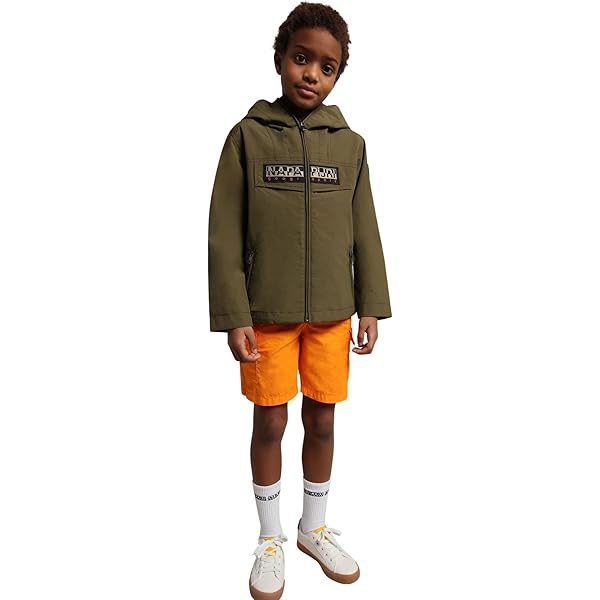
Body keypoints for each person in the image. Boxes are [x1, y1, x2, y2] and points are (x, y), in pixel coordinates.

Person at [208, 3, 391, 598]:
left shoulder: (351, 146)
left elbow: (366, 230)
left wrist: (370, 304)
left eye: (327, 67)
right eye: (301, 58)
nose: (312, 73)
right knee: (270, 420)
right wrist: (234, 314)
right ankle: (270, 538)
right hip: (267, 314)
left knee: (323, 419)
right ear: (280, 58)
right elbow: (224, 232)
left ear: (338, 76)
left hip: (334, 314)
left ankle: (313, 528)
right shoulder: (247, 137)